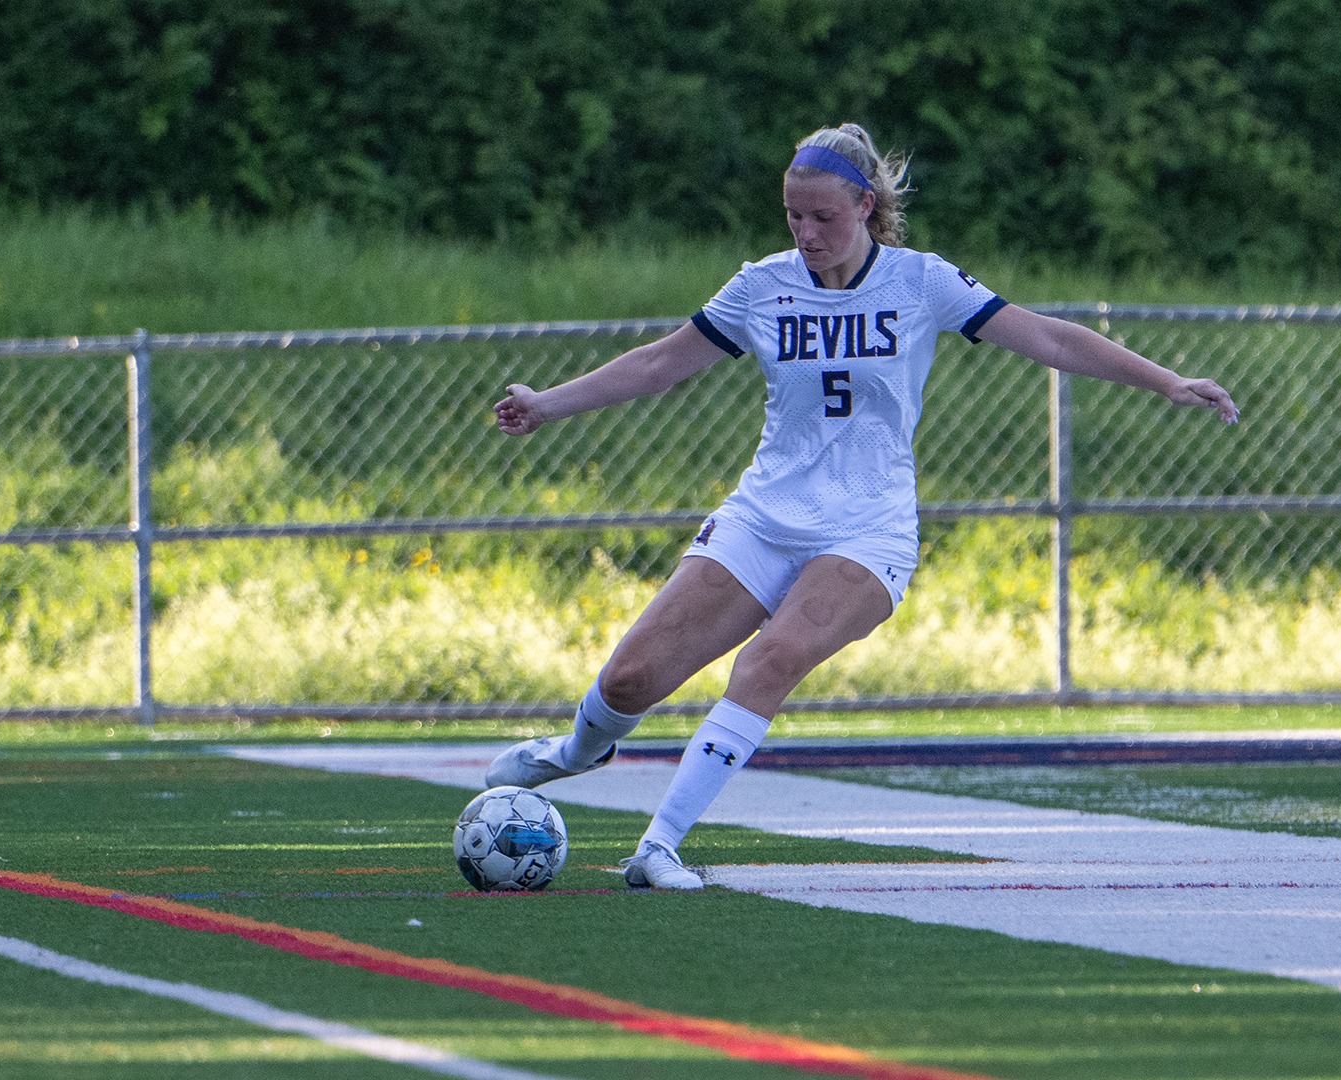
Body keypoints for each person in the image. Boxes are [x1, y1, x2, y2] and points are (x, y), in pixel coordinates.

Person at [485, 123, 1239, 889]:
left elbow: (1050, 338)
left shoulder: (919, 282)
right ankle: (574, 752)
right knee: (629, 683)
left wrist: (1167, 380)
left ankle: (658, 846)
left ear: (865, 206)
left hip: (866, 530)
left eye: (823, 217)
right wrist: (548, 405)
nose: (806, 233)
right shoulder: (762, 286)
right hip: (763, 520)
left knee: (768, 661)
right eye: (793, 216)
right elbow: (657, 365)